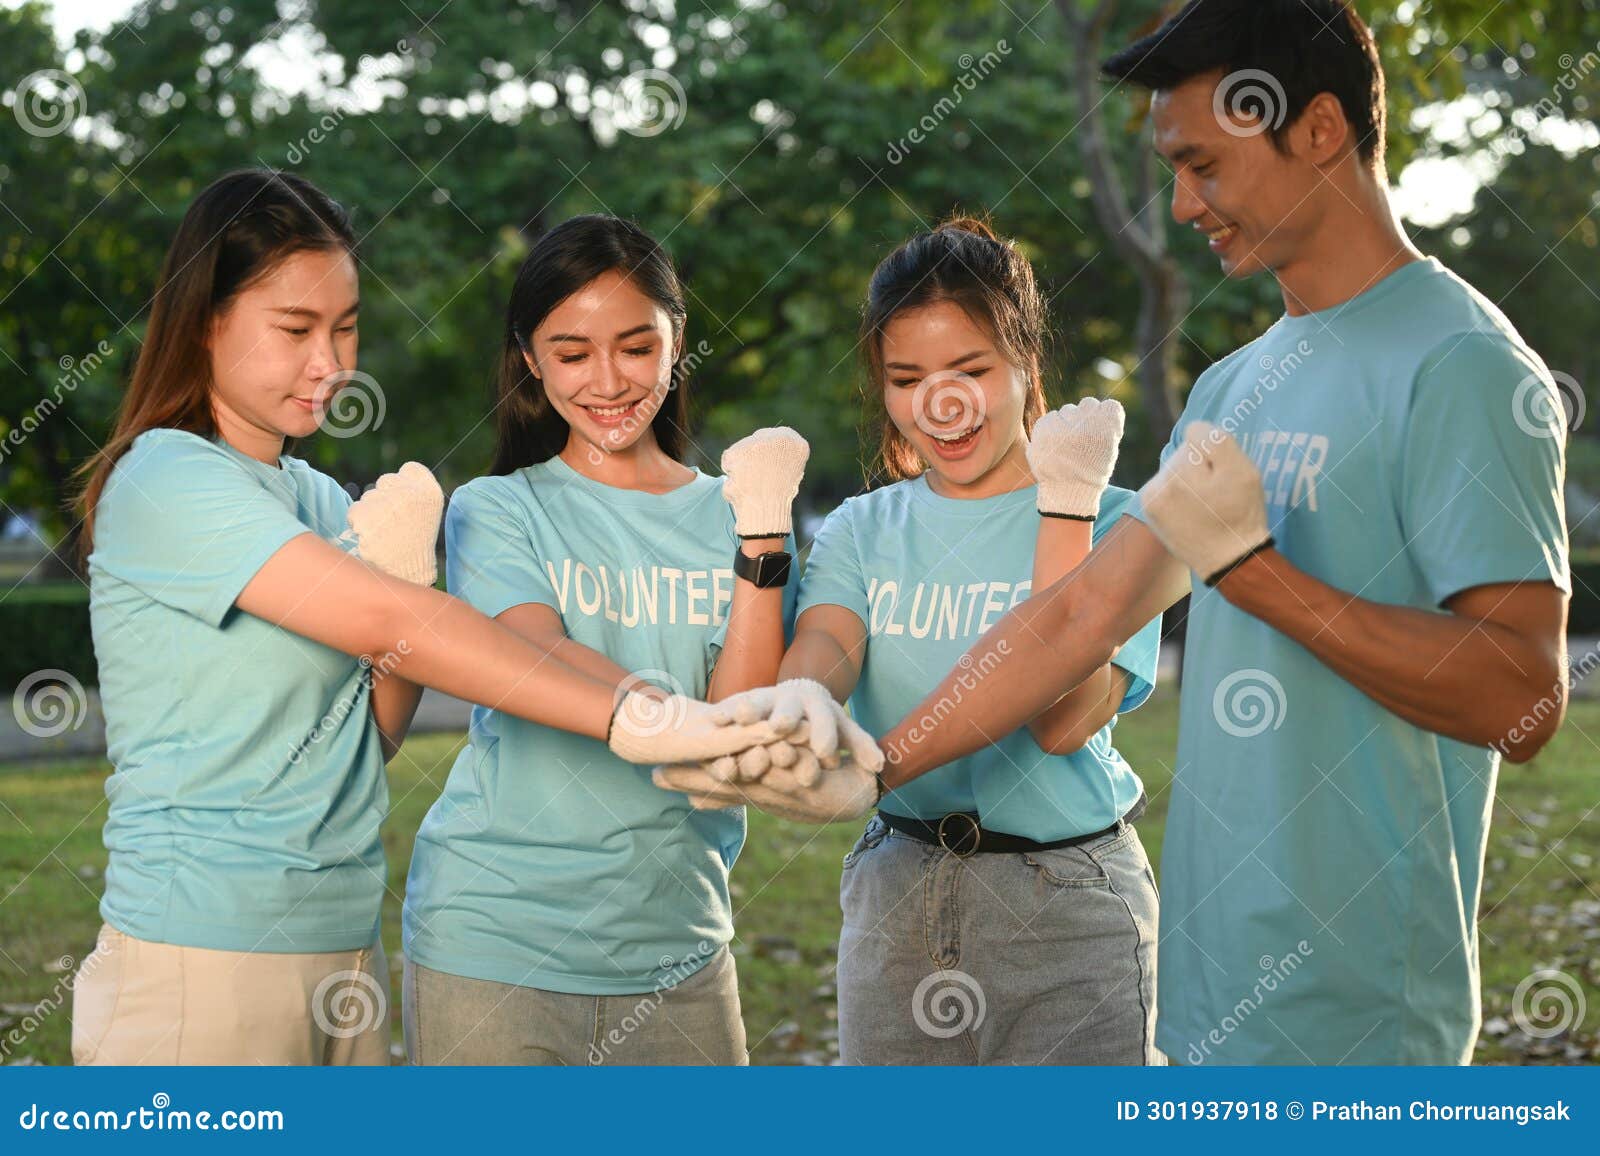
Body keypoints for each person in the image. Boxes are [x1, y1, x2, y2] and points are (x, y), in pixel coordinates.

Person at [679, 0, 1572, 1066]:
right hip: (1201, 992)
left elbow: (1522, 699)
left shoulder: (1461, 363)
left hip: (1356, 1013)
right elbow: (1076, 616)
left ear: (1321, 128)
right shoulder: (1232, 389)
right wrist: (874, 769)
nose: (1183, 202)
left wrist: (1254, 572)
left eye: (1202, 164)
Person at [67, 171, 831, 1065]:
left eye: (344, 328)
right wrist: (642, 717)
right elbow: (399, 620)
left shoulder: (315, 497)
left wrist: (401, 580)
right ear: (205, 321)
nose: (332, 362)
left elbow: (373, 735)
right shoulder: (166, 475)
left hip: (343, 943)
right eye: (296, 329)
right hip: (200, 948)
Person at [659, 217, 1164, 1064]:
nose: (943, 401)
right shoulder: (863, 525)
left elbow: (1064, 721)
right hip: (899, 885)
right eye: (907, 377)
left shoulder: (1114, 520)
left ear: (1025, 368)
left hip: (1068, 902)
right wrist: (803, 695)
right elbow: (827, 641)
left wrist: (1068, 506)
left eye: (971, 368)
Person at [400, 215, 871, 1065]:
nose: (609, 381)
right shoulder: (497, 508)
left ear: (676, 340)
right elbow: (534, 655)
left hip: (678, 945)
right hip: (495, 939)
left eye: (636, 347)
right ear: (531, 360)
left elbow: (738, 732)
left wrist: (762, 536)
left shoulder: (741, 510)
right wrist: (664, 720)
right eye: (572, 353)